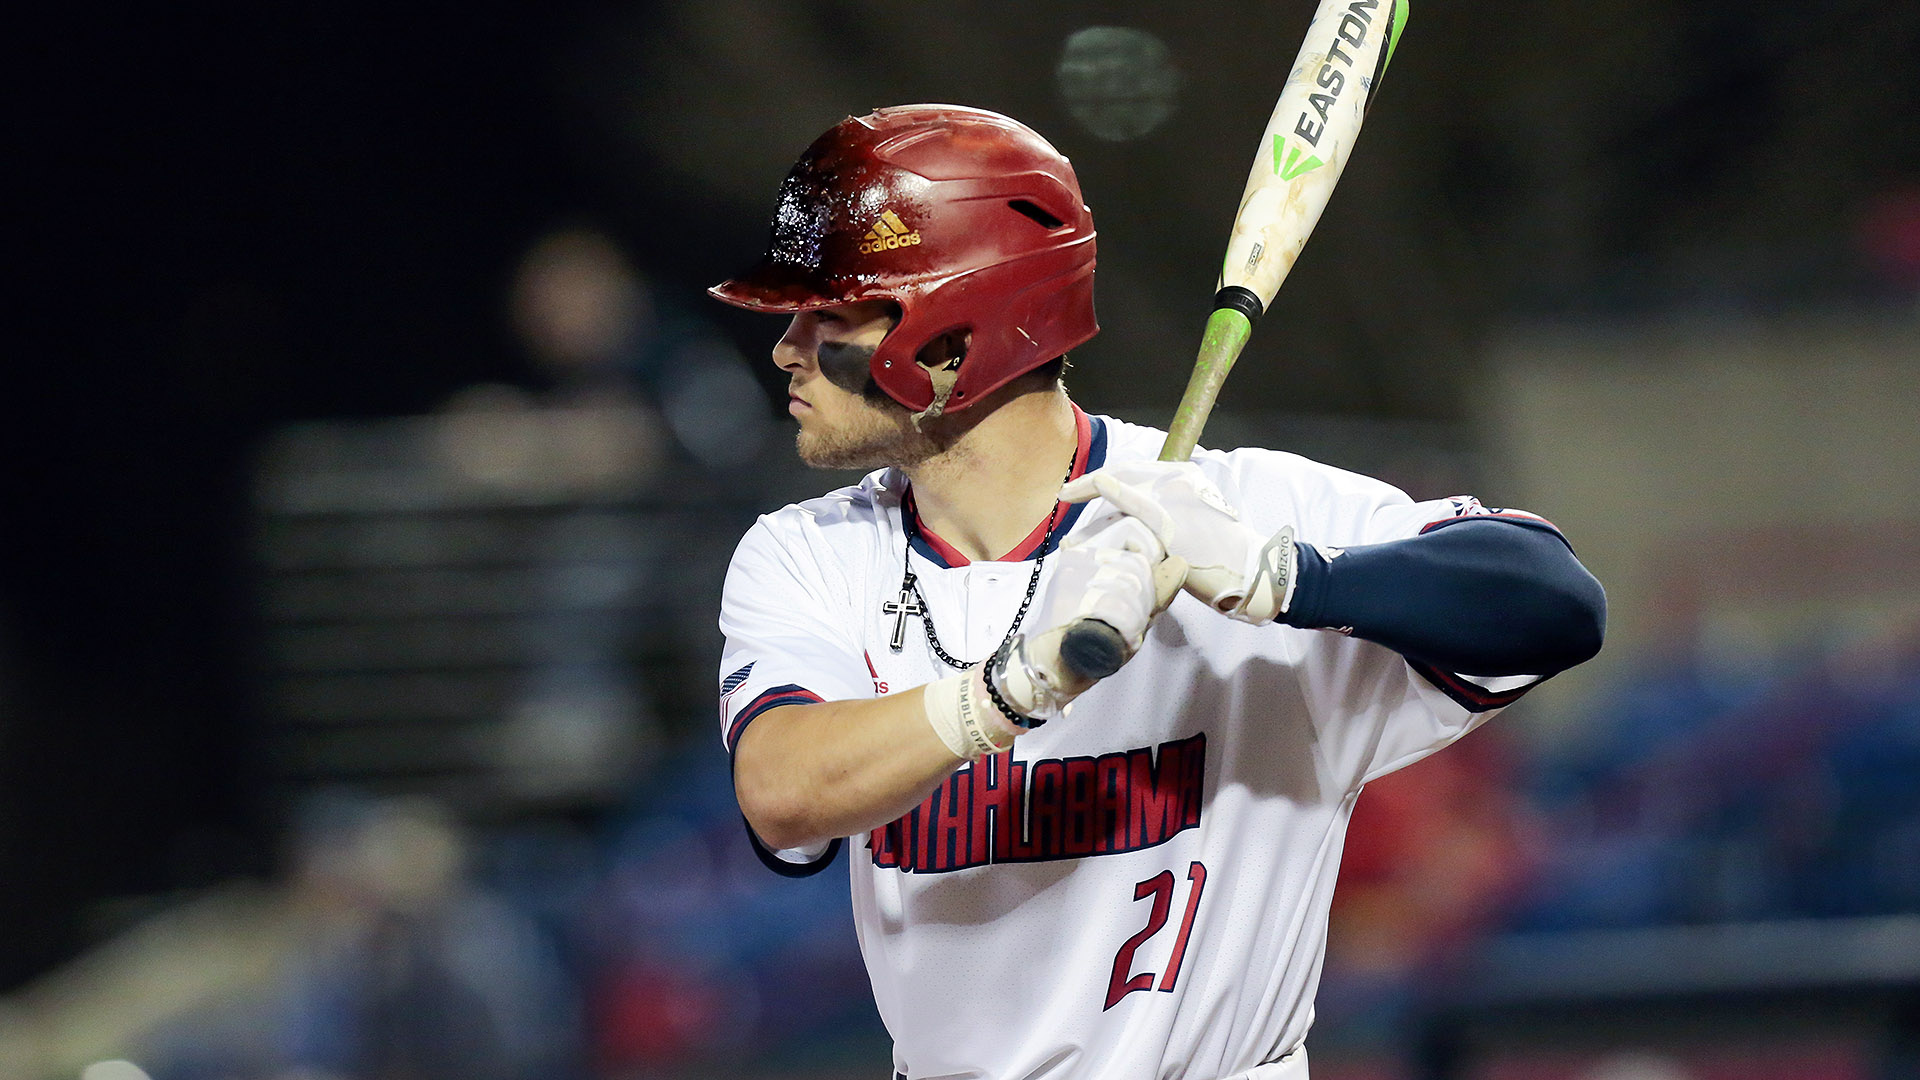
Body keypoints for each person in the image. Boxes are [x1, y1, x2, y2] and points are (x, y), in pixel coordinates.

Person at [711, 104, 1605, 1080]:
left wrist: (1282, 579)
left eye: (827, 314)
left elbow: (1554, 599)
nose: (787, 349)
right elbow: (782, 792)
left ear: (954, 336)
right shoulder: (808, 554)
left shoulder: (1227, 508)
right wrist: (1014, 686)